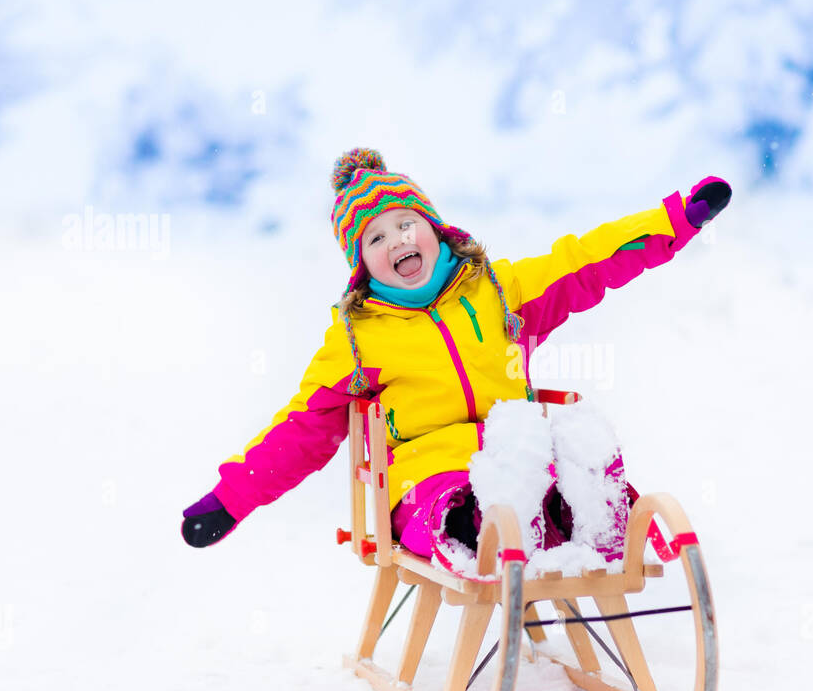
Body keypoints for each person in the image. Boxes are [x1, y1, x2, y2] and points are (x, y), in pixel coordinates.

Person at [181, 146, 731, 566]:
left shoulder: (496, 291)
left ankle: (595, 522)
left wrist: (674, 222)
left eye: (406, 223)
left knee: (575, 452)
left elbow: (585, 261)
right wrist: (229, 501)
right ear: (361, 263)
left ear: (432, 229)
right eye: (375, 238)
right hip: (428, 477)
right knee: (454, 498)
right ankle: (474, 534)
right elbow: (301, 430)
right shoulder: (359, 339)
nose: (397, 241)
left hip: (516, 451)